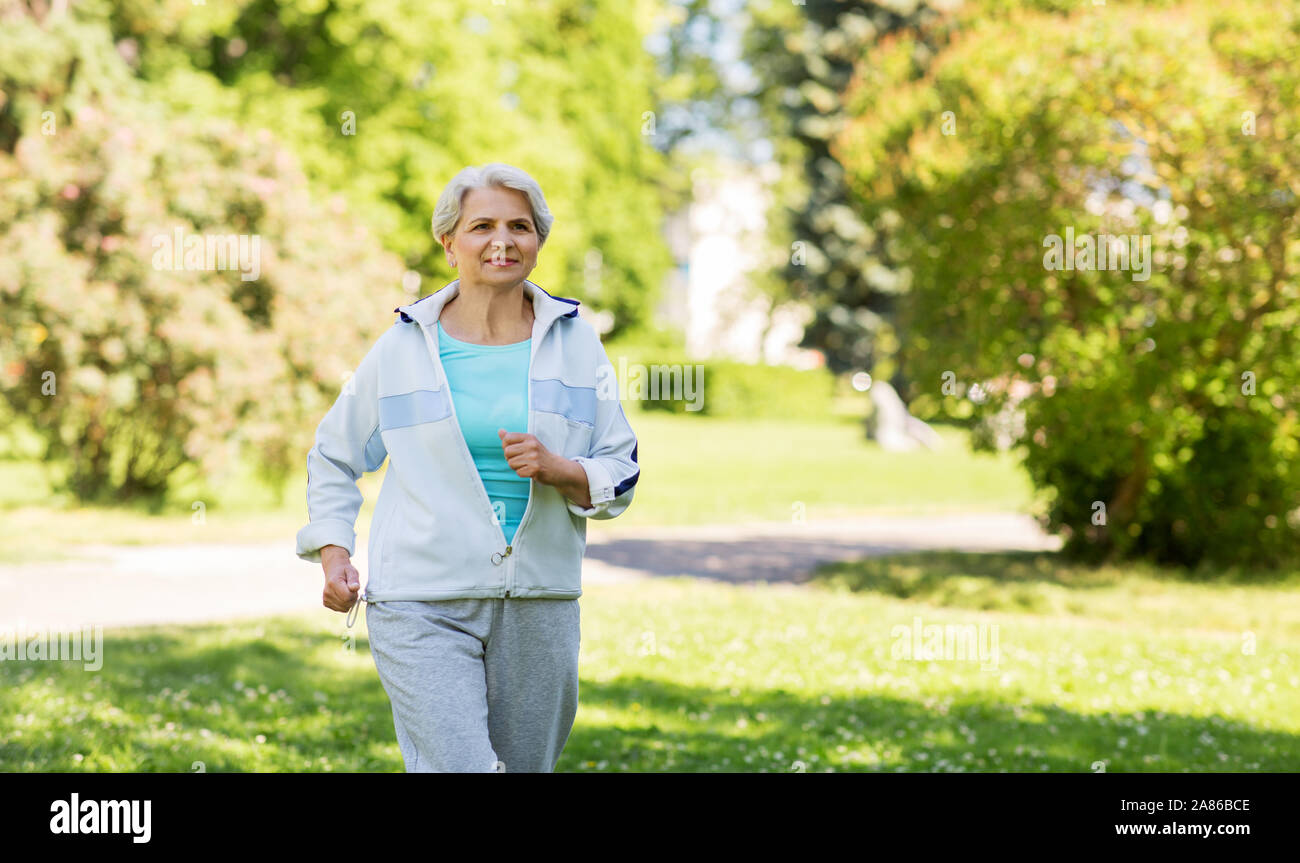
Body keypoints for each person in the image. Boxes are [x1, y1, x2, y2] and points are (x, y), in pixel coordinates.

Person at [295, 162, 640, 772]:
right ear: (449, 243)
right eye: (482, 226)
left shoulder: (576, 342)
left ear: (538, 243)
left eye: (520, 227)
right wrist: (333, 551)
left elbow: (622, 464)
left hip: (539, 600)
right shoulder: (404, 346)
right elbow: (334, 453)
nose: (502, 241)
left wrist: (560, 469)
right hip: (420, 599)